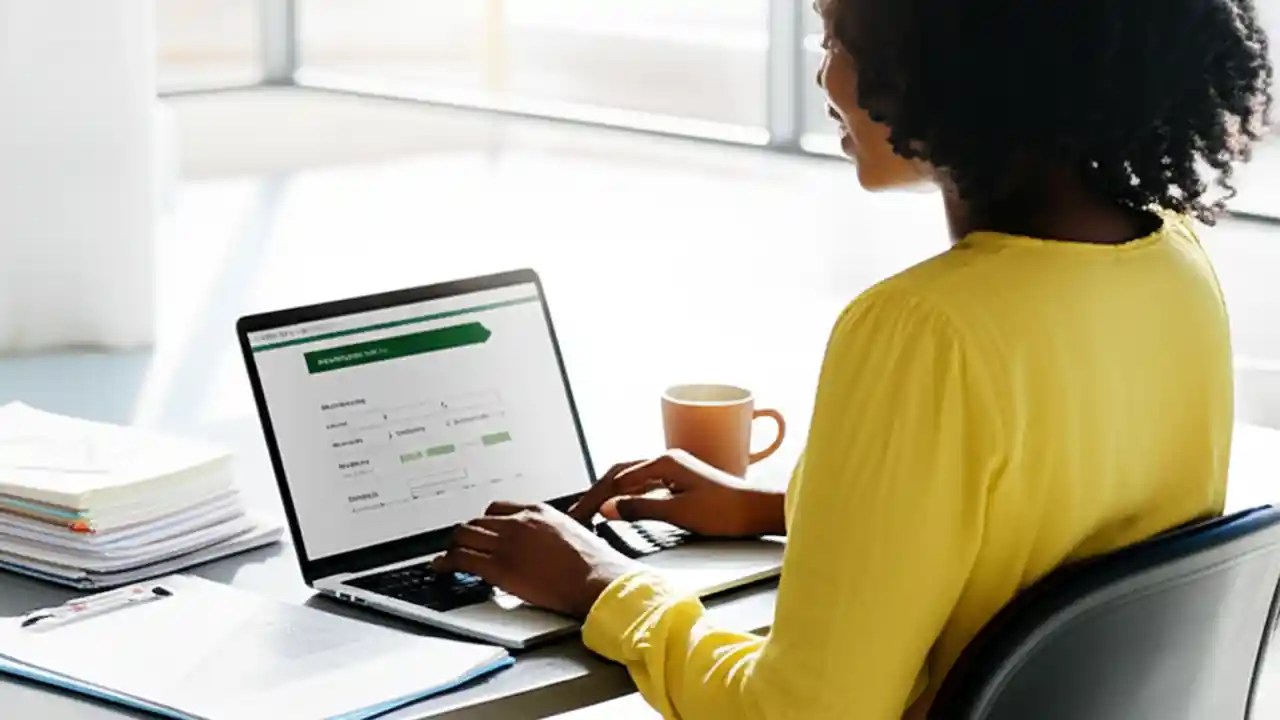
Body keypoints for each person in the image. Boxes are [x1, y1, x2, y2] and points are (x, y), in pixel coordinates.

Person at [436, 0, 1275, 717]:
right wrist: (781, 506)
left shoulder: (922, 329)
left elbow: (804, 714)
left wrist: (600, 586)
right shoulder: (1177, 264)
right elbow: (1048, 525)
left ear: (952, 61)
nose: (823, 78)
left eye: (837, 39)